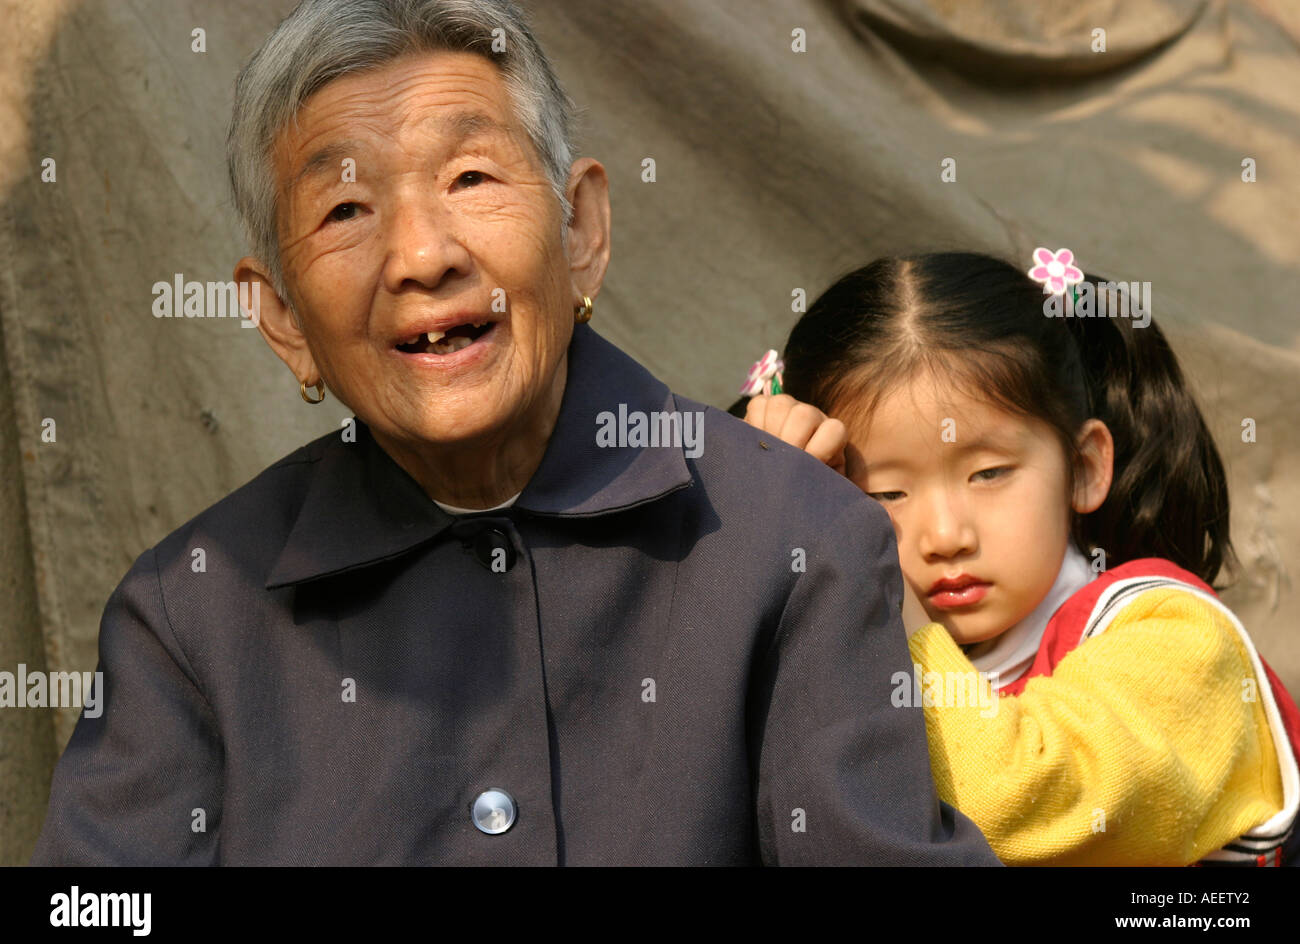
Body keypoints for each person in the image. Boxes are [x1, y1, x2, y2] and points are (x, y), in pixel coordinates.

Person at [30, 0, 998, 866]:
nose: (421, 254)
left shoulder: (795, 542)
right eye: (346, 208)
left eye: (469, 175)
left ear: (579, 231)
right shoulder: (192, 616)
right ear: (283, 318)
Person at [734, 251, 1300, 865]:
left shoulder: (1174, 636)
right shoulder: (840, 651)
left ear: (1083, 468)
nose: (946, 535)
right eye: (883, 494)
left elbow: (1007, 801)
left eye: (989, 473)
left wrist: (867, 567)